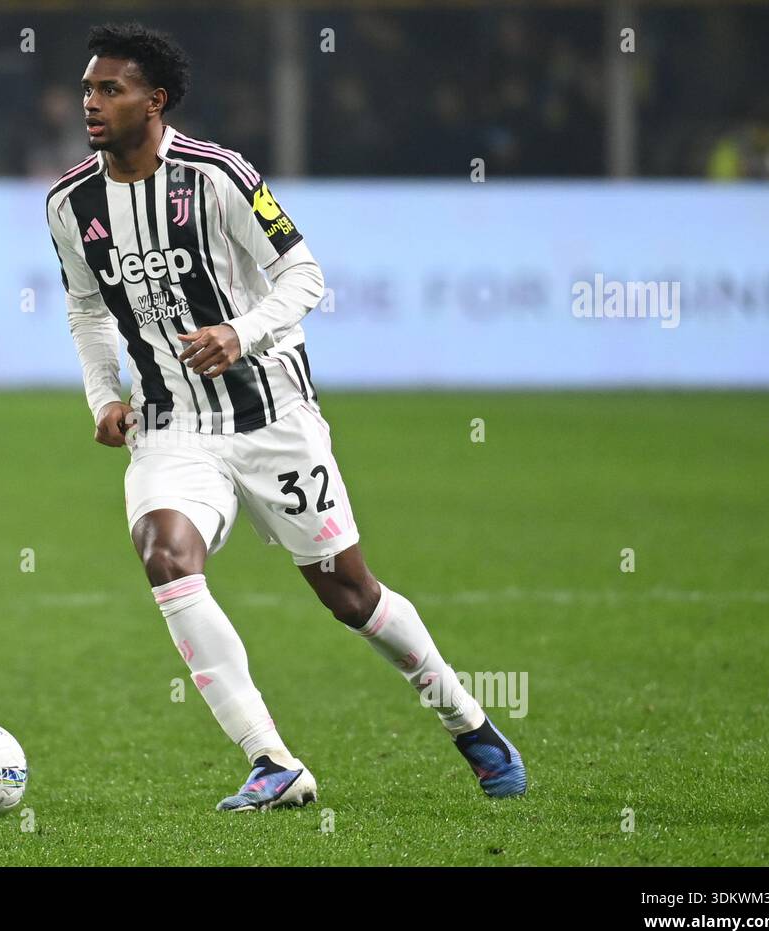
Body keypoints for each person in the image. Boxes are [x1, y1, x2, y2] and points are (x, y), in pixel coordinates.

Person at [45, 22, 527, 811]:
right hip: (172, 425)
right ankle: (272, 761)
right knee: (166, 556)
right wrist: (104, 395)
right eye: (88, 89)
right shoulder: (71, 202)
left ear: (155, 101)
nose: (90, 103)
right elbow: (87, 308)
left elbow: (302, 274)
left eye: (110, 89)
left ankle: (467, 723)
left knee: (349, 596)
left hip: (273, 418)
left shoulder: (221, 177)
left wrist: (240, 332)